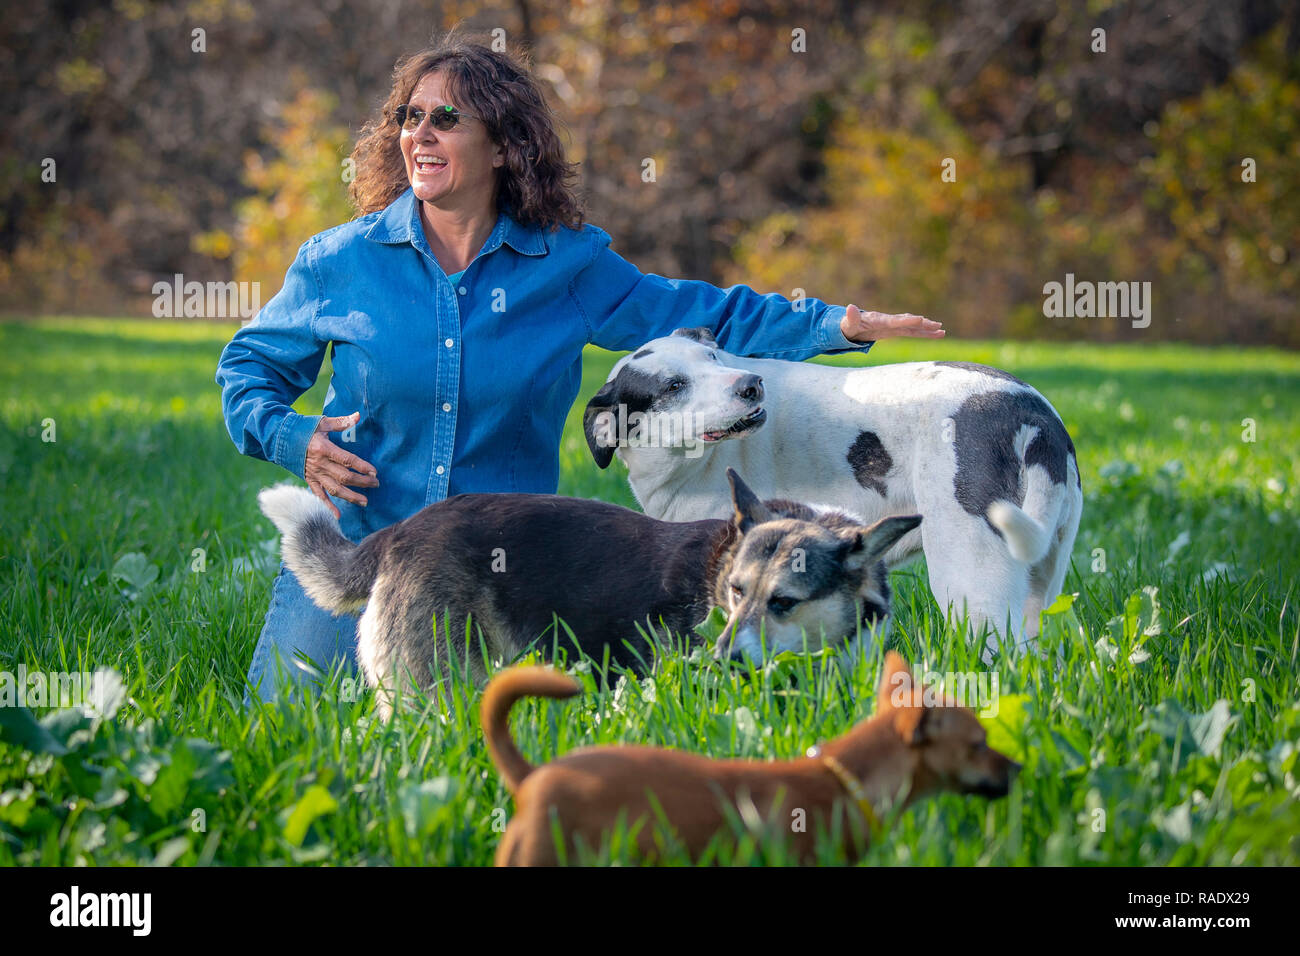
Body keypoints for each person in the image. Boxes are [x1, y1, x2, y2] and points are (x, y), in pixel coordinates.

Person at [216, 35, 944, 703]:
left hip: (510, 571)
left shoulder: (565, 265)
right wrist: (292, 438)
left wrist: (830, 324)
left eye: (447, 118)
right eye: (410, 117)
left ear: (503, 147)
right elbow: (247, 368)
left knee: (491, 735)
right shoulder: (338, 261)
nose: (420, 134)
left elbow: (697, 313)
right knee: (286, 721)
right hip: (361, 539)